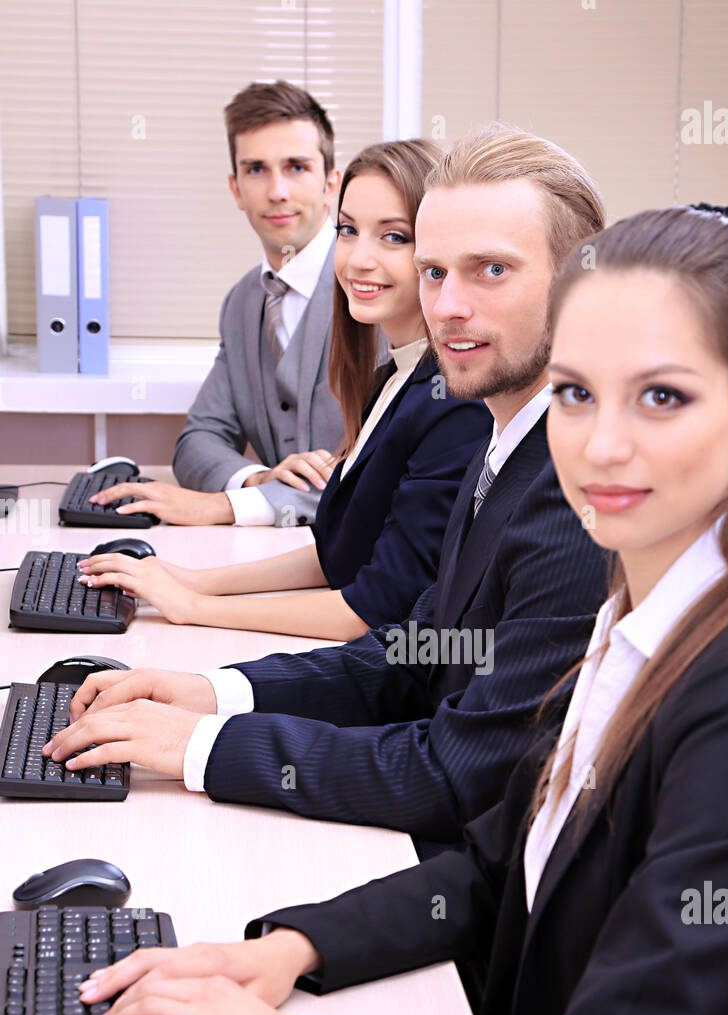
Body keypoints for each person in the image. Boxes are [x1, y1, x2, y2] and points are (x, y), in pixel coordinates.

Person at [78, 204, 728, 1015]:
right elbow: (498, 864)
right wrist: (292, 950)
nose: (600, 445)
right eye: (574, 393)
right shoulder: (635, 607)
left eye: (661, 396)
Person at [45, 125, 609, 851]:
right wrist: (216, 694)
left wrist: (201, 747)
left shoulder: (577, 501)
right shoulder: (505, 443)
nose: (448, 307)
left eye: (491, 271)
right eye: (435, 272)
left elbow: (451, 775)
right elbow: (415, 653)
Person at [76, 140, 491, 640]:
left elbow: (376, 609)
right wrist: (194, 582)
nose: (359, 259)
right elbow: (339, 550)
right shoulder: (394, 377)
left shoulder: (456, 400)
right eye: (348, 230)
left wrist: (193, 607)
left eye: (393, 237)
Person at [90, 80, 347, 528]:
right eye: (256, 170)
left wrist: (222, 507)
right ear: (235, 189)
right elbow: (198, 441)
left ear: (330, 183)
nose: (277, 191)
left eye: (296, 167)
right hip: (272, 551)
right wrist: (257, 480)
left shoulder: (374, 287)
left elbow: (397, 474)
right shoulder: (243, 303)